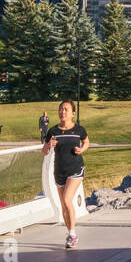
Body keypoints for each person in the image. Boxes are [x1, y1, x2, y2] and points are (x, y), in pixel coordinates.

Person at [42, 100, 89, 249]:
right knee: (63, 204)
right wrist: (49, 145)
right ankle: (70, 233)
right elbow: (44, 151)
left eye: (66, 110)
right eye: (61, 109)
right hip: (59, 171)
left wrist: (82, 149)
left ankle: (73, 234)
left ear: (73, 113)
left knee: (67, 200)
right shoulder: (53, 131)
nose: (63, 112)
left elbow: (86, 141)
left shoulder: (79, 130)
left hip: (76, 169)